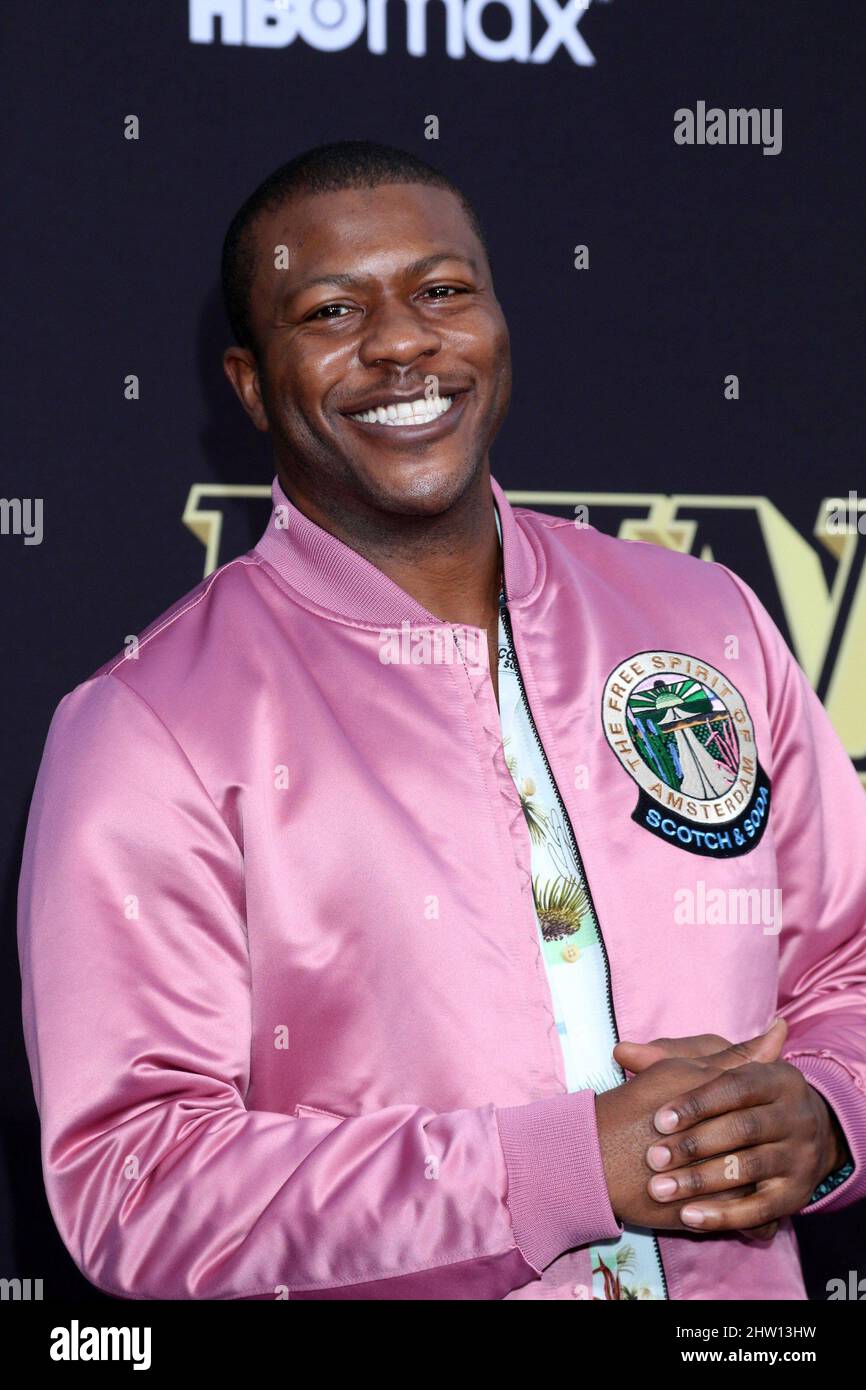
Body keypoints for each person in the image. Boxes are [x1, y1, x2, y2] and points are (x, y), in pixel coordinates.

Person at [17, 140, 864, 1301]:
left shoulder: (699, 617)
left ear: (497, 324)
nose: (403, 340)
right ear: (252, 383)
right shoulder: (147, 725)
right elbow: (138, 1184)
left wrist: (823, 1112)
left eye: (442, 291)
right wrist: (553, 1168)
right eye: (329, 308)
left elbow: (848, 967)